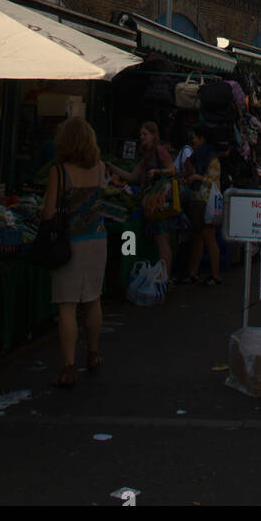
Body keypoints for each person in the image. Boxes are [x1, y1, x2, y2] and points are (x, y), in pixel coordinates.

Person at [41, 117, 107, 388]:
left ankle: (68, 366)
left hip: (69, 243)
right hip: (98, 239)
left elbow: (48, 212)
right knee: (93, 299)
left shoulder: (59, 171)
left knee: (67, 304)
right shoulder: (101, 168)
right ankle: (92, 355)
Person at [113, 121, 177, 281]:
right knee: (147, 235)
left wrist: (157, 171)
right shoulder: (145, 156)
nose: (141, 137)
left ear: (154, 135)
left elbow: (172, 170)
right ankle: (131, 269)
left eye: (145, 134)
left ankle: (164, 280)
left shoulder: (159, 151)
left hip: (159, 203)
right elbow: (132, 176)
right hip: (147, 203)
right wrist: (112, 167)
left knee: (162, 241)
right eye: (140, 135)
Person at [180, 129, 223, 286]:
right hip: (197, 199)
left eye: (196, 138)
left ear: (203, 139)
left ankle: (216, 275)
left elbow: (213, 180)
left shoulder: (212, 159)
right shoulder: (198, 157)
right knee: (197, 237)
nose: (193, 141)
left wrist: (196, 177)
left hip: (207, 201)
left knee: (208, 237)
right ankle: (193, 273)